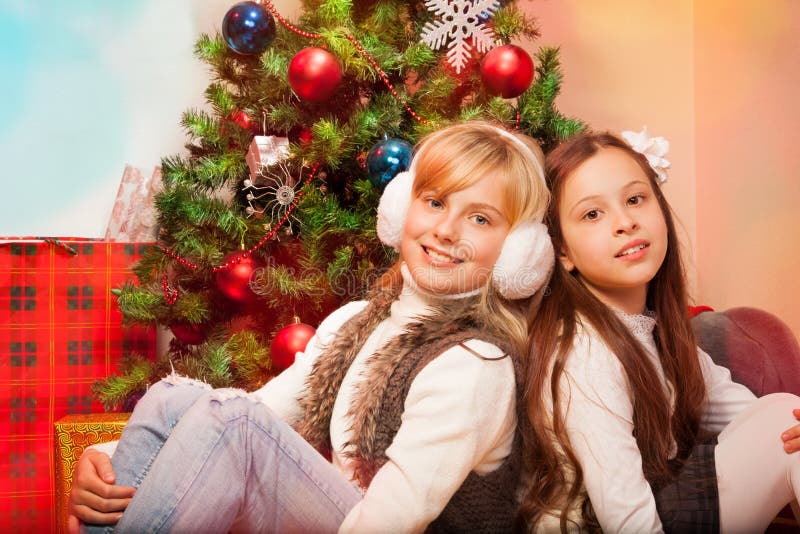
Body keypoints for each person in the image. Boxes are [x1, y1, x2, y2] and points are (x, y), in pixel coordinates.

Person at [68, 121, 555, 533]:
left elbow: (390, 520)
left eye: (480, 219)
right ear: (401, 207)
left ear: (518, 252)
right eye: (434, 202)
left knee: (235, 421)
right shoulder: (356, 321)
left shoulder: (475, 366)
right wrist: (106, 458)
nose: (447, 230)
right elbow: (273, 409)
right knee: (173, 399)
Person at [518, 129, 800, 533]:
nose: (625, 222)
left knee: (786, 417)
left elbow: (732, 403)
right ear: (562, 251)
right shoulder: (586, 354)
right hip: (603, 523)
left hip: (662, 492)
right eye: (592, 214)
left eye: (635, 199)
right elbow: (625, 515)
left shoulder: (651, 326)